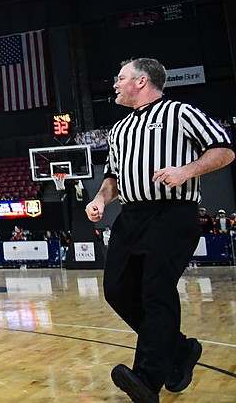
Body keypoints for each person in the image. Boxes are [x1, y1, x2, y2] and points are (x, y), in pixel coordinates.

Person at [84, 57, 233, 401]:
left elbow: (224, 150)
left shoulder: (180, 113)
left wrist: (186, 171)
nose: (115, 84)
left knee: (156, 291)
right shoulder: (119, 129)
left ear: (141, 81)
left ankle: (147, 379)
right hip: (131, 216)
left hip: (172, 213)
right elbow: (113, 178)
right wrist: (101, 200)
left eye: (120, 78)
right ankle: (179, 350)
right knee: (117, 290)